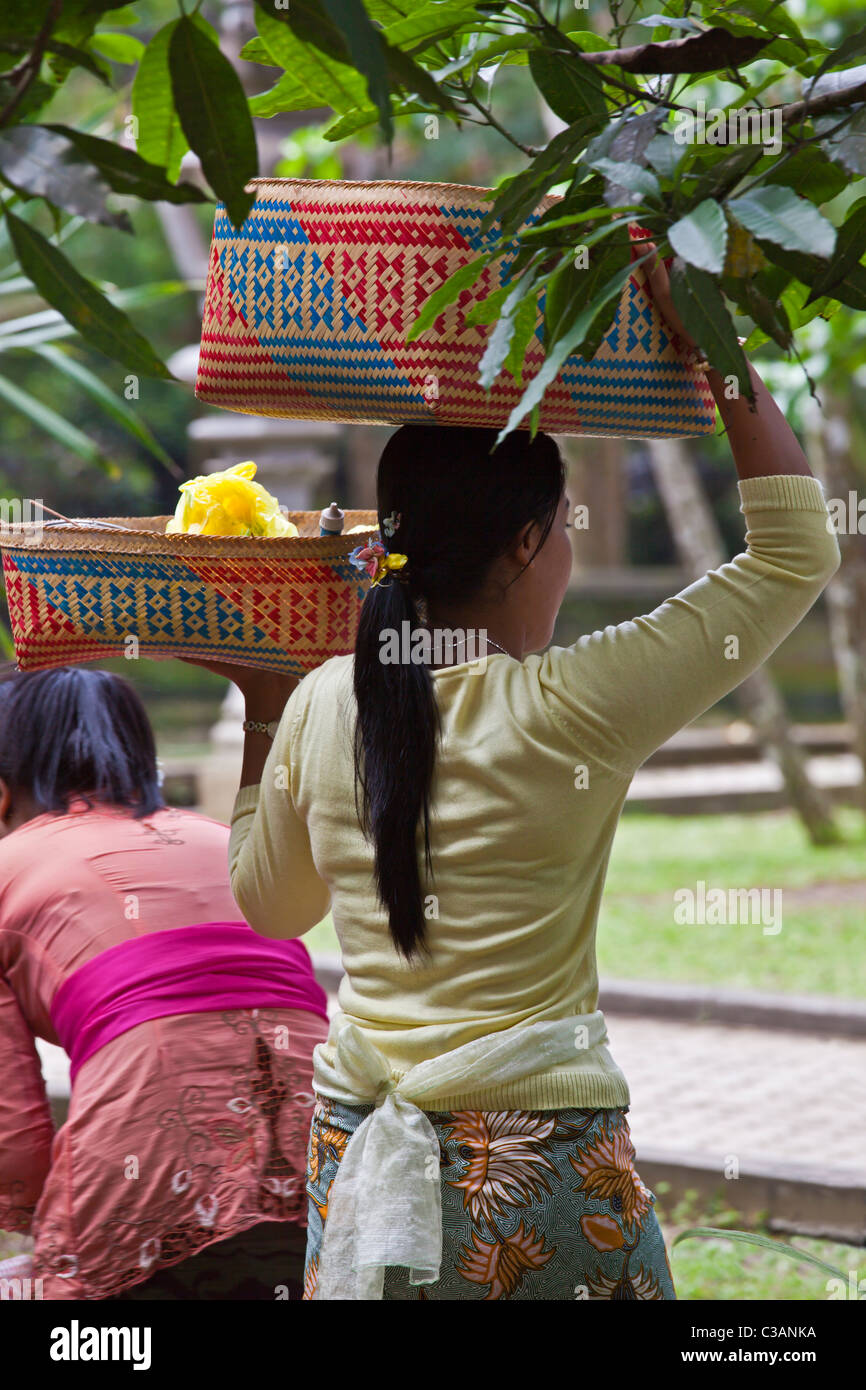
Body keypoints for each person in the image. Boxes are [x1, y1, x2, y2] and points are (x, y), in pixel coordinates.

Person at [224, 249, 841, 1300]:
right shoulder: (571, 707)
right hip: (536, 1180)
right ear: (524, 543)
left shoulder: (325, 698)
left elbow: (270, 906)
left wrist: (262, 700)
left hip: (356, 1163)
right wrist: (711, 342)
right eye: (560, 530)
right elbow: (791, 552)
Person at [0, 666, 330, 1300]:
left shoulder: (10, 867)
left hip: (141, 1143)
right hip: (323, 1127)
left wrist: (34, 1228)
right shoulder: (219, 839)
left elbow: (10, 1120)